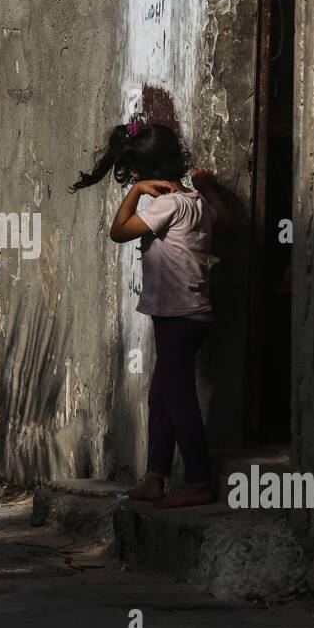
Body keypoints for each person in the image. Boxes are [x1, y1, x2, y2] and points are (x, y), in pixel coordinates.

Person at [71, 107, 231, 508]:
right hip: (193, 313)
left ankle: (198, 480)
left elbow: (118, 232)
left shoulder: (166, 205)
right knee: (162, 397)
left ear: (142, 171)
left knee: (179, 400)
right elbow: (226, 223)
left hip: (177, 317)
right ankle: (155, 478)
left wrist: (136, 194)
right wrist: (208, 187)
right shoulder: (195, 202)